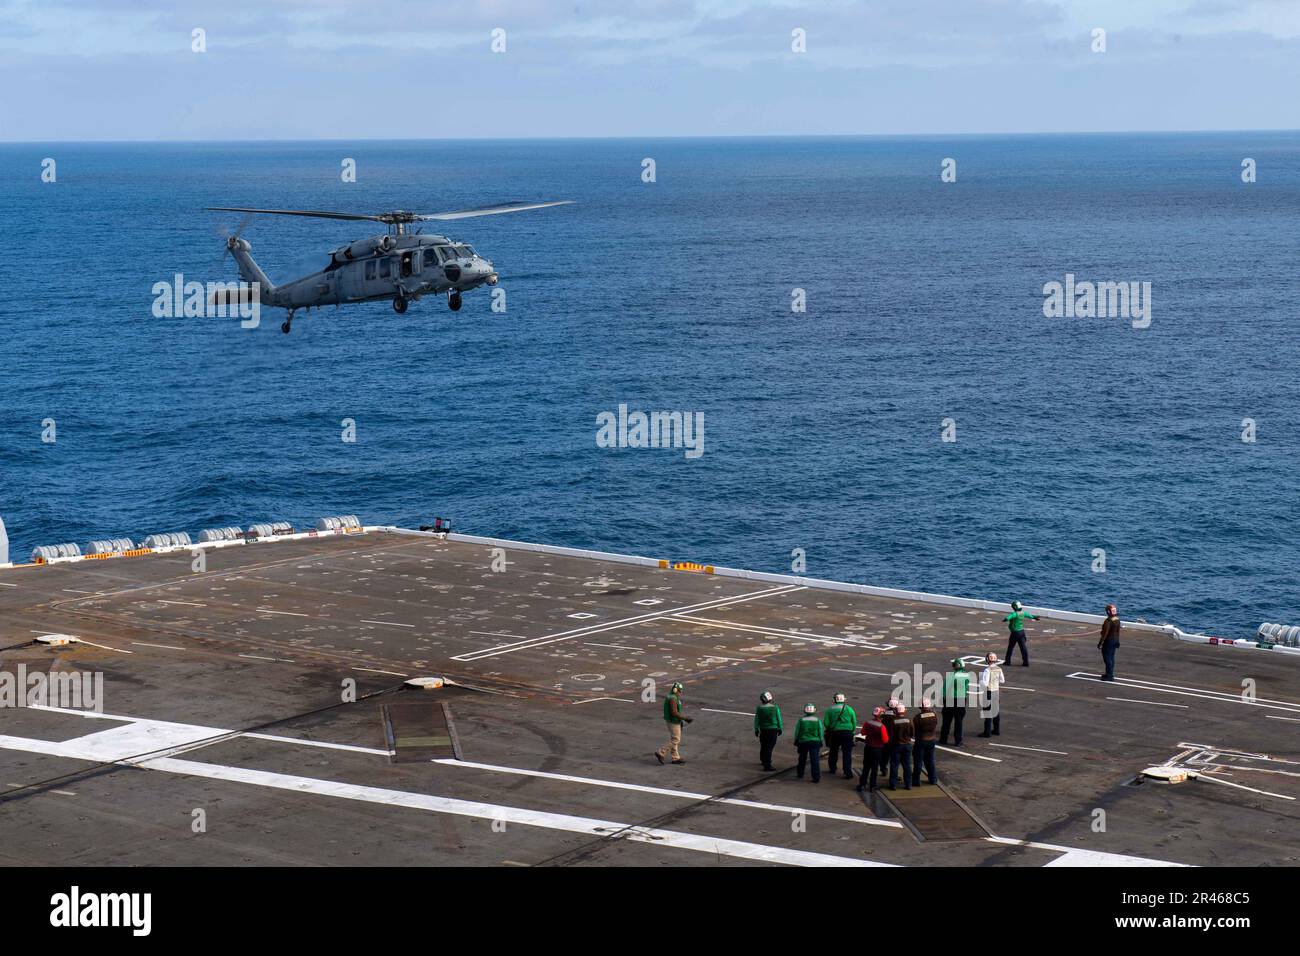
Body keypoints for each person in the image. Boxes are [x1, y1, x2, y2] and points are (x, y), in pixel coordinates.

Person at [654, 681, 692, 764]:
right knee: (675, 740)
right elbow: (674, 712)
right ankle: (661, 752)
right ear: (675, 690)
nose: (681, 692)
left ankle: (675, 758)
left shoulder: (674, 697)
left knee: (674, 739)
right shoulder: (672, 698)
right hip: (673, 722)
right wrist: (685, 718)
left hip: (674, 721)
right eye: (679, 690)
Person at [823, 692, 858, 780]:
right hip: (847, 733)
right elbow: (854, 722)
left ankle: (832, 768)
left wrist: (832, 727)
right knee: (847, 753)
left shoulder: (830, 709)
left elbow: (826, 723)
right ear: (844, 699)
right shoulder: (849, 709)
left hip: (835, 733)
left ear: (835, 699)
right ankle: (847, 772)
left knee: (833, 751)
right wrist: (852, 731)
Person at [856, 707, 890, 792]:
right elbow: (885, 740)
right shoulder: (882, 726)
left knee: (866, 767)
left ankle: (862, 784)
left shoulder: (868, 722)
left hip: (868, 747)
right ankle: (872, 786)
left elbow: (863, 732)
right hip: (877, 749)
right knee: (874, 768)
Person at [940, 659, 970, 746]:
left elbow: (944, 690)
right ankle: (958, 741)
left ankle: (943, 738)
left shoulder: (950, 676)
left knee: (946, 720)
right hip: (960, 698)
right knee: (959, 721)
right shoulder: (966, 675)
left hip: (949, 698)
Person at [912, 697, 939, 786]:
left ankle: (916, 780)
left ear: (920, 707)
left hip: (921, 740)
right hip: (931, 740)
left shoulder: (917, 718)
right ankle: (933, 779)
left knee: (918, 761)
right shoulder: (934, 714)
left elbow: (914, 730)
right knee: (930, 760)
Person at [794, 703, 824, 782]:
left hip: (803, 742)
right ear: (814, 711)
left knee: (802, 758)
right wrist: (821, 740)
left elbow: (797, 732)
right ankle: (816, 777)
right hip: (815, 742)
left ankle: (800, 773)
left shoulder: (801, 720)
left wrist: (796, 740)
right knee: (815, 760)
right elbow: (820, 732)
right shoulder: (817, 720)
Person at [753, 690, 783, 771]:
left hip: (763, 729)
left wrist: (756, 729)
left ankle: (763, 759)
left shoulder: (759, 708)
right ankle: (767, 765)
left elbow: (757, 720)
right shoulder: (775, 708)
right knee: (769, 747)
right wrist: (780, 728)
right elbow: (779, 718)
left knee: (764, 745)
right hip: (773, 729)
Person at [977, 653, 1005, 738]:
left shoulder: (987, 670)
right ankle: (996, 730)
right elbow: (1002, 680)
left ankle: (987, 732)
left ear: (987, 660)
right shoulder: (999, 668)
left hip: (989, 692)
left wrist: (980, 681)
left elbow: (985, 683)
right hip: (996, 692)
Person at [1003, 600, 1037, 667]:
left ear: (1014, 607)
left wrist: (1005, 619)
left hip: (1014, 633)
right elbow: (1029, 615)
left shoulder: (1014, 614)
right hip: (1021, 632)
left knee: (1011, 647)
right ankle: (1026, 662)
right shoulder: (1023, 613)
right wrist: (1035, 617)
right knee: (1023, 648)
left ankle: (1007, 661)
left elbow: (1008, 617)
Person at [888, 703, 914, 790]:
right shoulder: (909, 720)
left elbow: (890, 735)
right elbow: (912, 734)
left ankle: (893, 785)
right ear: (904, 711)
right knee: (907, 765)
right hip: (906, 745)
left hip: (896, 745)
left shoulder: (893, 721)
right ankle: (908, 784)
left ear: (896, 711)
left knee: (894, 765)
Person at [1099, 603, 1122, 681]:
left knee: (1107, 658)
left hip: (1108, 641)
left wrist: (1100, 643)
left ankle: (1109, 676)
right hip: (1115, 640)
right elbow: (1118, 631)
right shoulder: (1117, 619)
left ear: (1108, 612)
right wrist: (1118, 641)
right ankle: (1109, 673)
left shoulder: (1108, 621)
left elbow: (1105, 633)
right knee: (1111, 658)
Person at [879, 698, 900, 774]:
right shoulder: (897, 715)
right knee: (894, 758)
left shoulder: (883, 713)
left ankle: (883, 769)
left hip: (885, 738)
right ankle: (894, 774)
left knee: (884, 755)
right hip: (894, 738)